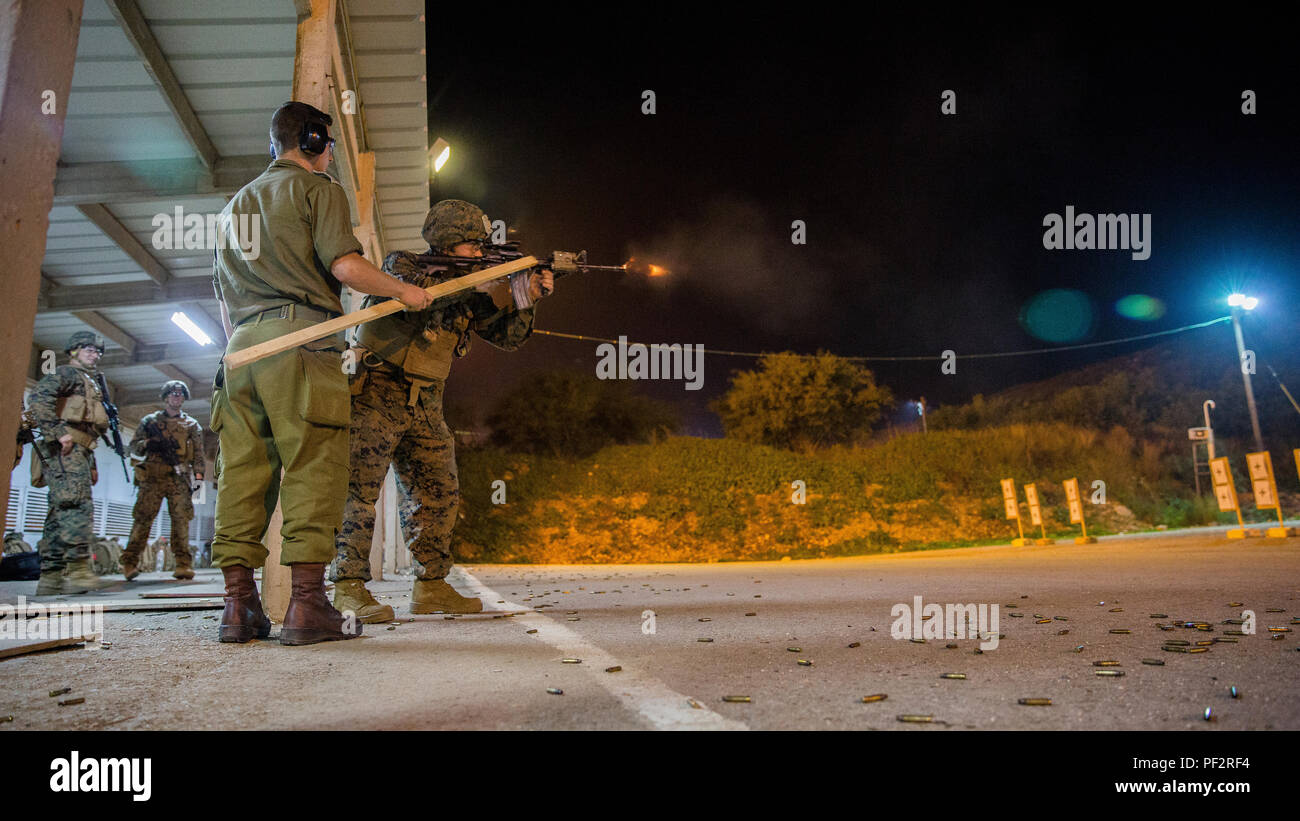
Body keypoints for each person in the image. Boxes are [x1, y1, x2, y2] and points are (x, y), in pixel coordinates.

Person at [210, 100, 433, 645]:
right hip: (300, 342)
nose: (330, 152)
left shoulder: (233, 205)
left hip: (239, 350)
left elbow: (222, 298)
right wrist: (405, 290)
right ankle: (308, 606)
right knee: (314, 462)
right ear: (313, 142)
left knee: (242, 472)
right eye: (327, 142)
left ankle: (239, 609)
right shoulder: (318, 190)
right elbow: (345, 266)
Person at [331, 200, 552, 621]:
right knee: (357, 490)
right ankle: (348, 587)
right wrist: (480, 280)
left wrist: (528, 296)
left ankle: (431, 586)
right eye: (473, 246)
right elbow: (422, 299)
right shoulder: (404, 264)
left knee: (438, 492)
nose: (480, 254)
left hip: (427, 400)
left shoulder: (470, 288)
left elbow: (508, 338)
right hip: (376, 389)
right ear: (449, 243)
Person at [24, 331, 109, 595]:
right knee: (76, 506)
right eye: (89, 349)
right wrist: (57, 432)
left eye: (97, 351)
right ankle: (79, 568)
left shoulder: (89, 382)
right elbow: (38, 400)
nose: (94, 354)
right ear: (74, 351)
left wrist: (92, 462)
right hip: (65, 449)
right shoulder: (66, 374)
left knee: (58, 512)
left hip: (80, 451)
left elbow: (88, 425)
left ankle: (50, 577)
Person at [121, 380, 205, 580]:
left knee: (181, 521)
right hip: (153, 476)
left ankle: (183, 564)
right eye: (173, 394)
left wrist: (198, 482)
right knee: (142, 518)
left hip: (179, 477)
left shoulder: (192, 425)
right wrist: (150, 443)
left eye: (180, 394)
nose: (176, 397)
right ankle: (130, 562)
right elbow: (133, 447)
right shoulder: (150, 422)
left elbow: (199, 455)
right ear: (165, 397)